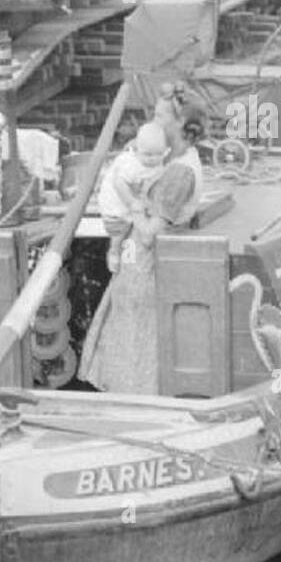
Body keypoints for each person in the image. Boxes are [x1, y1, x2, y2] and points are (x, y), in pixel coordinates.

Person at [77, 113, 205, 395]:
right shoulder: (181, 160)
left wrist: (133, 209)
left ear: (177, 127)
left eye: (162, 117)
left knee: (135, 329)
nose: (157, 122)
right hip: (137, 257)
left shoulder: (179, 172)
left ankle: (132, 393)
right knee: (131, 324)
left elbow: (148, 234)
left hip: (143, 262)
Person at [99, 121, 168, 272]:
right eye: (148, 154)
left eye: (158, 154)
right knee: (119, 233)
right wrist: (131, 202)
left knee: (138, 227)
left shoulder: (156, 162)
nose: (153, 159)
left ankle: (139, 245)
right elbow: (119, 183)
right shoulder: (130, 164)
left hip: (136, 201)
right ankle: (114, 251)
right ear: (136, 149)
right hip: (116, 203)